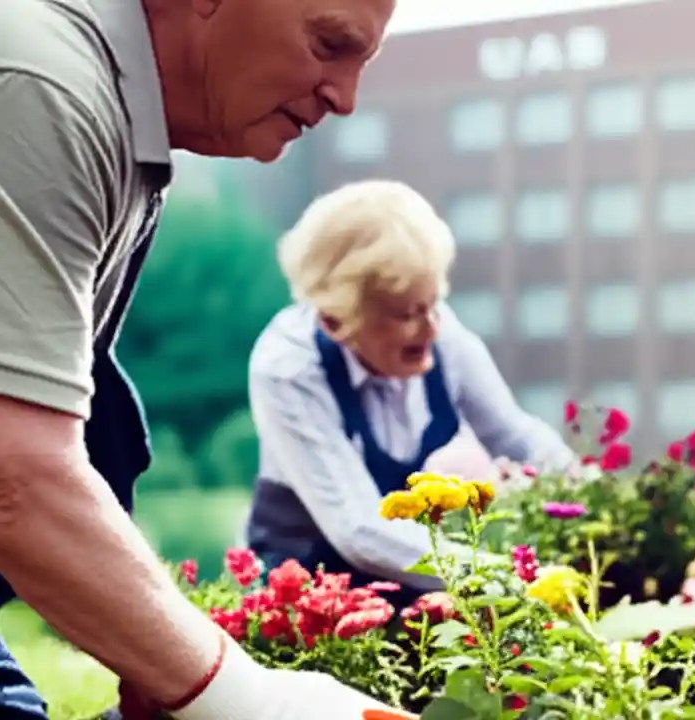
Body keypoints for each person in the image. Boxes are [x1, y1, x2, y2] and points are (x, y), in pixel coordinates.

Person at [0, 0, 414, 718]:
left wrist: (176, 664)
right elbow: (13, 473)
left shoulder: (116, 117)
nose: (343, 99)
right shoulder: (45, 86)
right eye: (328, 44)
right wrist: (248, 697)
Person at [244, 179, 575, 606]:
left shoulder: (441, 333)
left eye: (434, 303)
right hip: (308, 592)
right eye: (406, 314)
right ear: (335, 321)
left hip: (403, 574)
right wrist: (503, 576)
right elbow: (357, 527)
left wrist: (595, 503)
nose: (432, 326)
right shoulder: (288, 368)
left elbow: (517, 438)